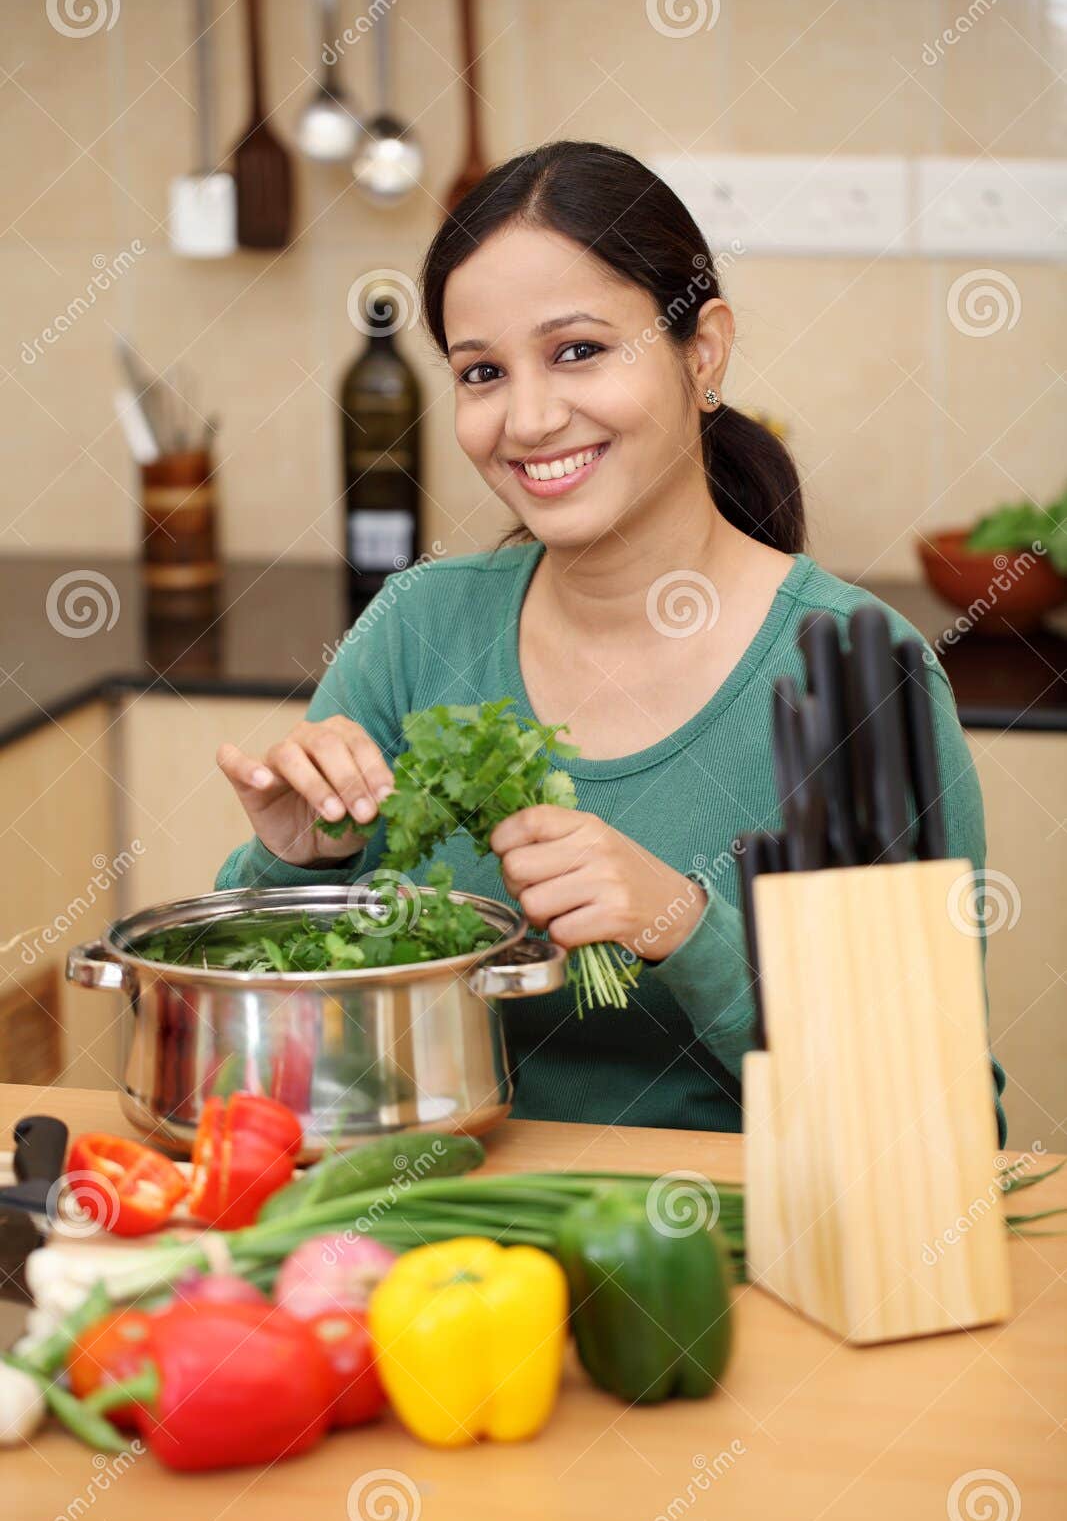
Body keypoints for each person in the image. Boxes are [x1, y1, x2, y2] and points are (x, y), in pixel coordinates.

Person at [216, 140, 1006, 1145]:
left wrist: (684, 927)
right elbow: (264, 1064)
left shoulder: (849, 677)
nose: (529, 418)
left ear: (702, 351)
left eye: (578, 351)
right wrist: (296, 867)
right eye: (482, 372)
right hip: (428, 1232)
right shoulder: (417, 630)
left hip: (722, 1238)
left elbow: (940, 1122)